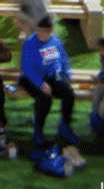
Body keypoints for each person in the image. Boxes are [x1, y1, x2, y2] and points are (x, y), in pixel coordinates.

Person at [18, 17, 78, 148]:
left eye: (45, 31)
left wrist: (67, 75)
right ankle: (38, 131)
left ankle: (64, 126)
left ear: (50, 31)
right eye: (39, 31)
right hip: (30, 79)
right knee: (45, 98)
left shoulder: (55, 41)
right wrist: (40, 84)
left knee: (69, 94)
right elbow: (27, 68)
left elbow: (64, 59)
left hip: (51, 77)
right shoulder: (30, 43)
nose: (41, 34)